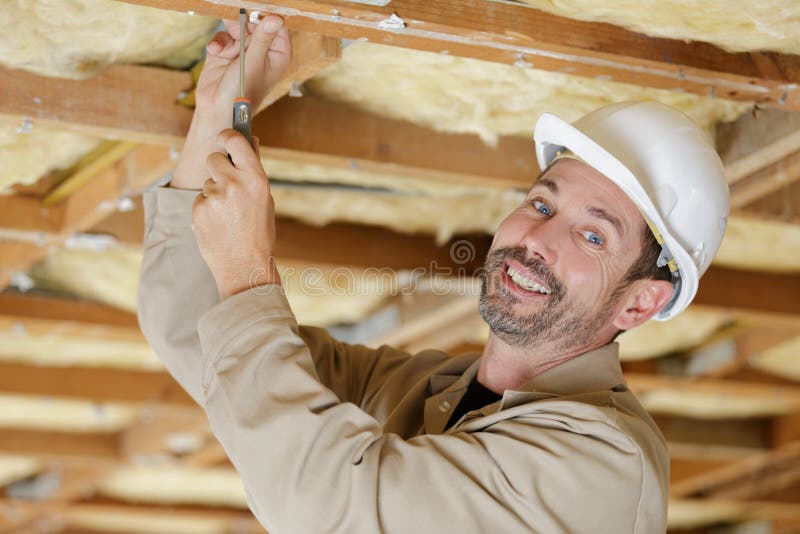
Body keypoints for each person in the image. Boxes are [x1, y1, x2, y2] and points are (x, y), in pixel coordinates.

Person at [138, 14, 729, 534]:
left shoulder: (602, 463)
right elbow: (200, 333)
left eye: (592, 235)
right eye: (542, 205)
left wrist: (247, 270)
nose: (535, 241)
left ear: (638, 305)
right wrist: (217, 118)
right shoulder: (418, 391)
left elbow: (327, 510)